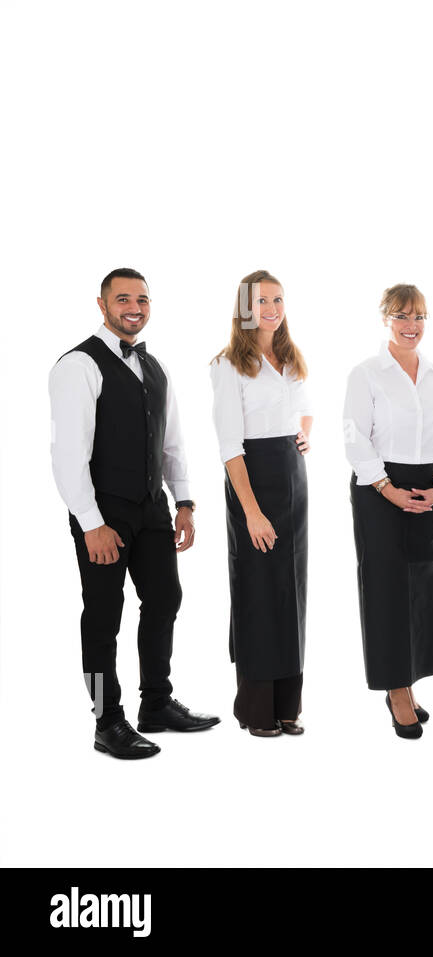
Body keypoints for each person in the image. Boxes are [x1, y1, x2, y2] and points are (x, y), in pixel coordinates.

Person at [50, 268, 219, 759]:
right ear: (101, 305)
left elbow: (172, 442)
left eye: (142, 299)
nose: (135, 307)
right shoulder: (78, 365)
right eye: (123, 298)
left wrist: (184, 502)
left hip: (152, 509)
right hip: (102, 513)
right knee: (103, 620)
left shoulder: (155, 367)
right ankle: (107, 721)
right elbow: (67, 455)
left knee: (165, 598)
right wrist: (90, 522)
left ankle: (157, 704)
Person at [344, 284, 433, 739]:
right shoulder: (366, 373)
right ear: (385, 319)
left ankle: (410, 681)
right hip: (379, 488)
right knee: (386, 588)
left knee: (422, 586)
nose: (411, 326)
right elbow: (354, 438)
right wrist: (387, 488)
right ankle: (395, 690)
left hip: (428, 489)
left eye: (419, 317)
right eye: (402, 316)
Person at [211, 269, 312, 737]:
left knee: (291, 591)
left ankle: (288, 706)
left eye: (278, 299)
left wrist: (305, 434)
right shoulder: (228, 364)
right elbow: (230, 445)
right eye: (262, 301)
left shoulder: (290, 358)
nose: (272, 308)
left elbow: (304, 407)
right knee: (257, 591)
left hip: (293, 478)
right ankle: (256, 710)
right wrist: (250, 511)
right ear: (245, 308)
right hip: (252, 480)